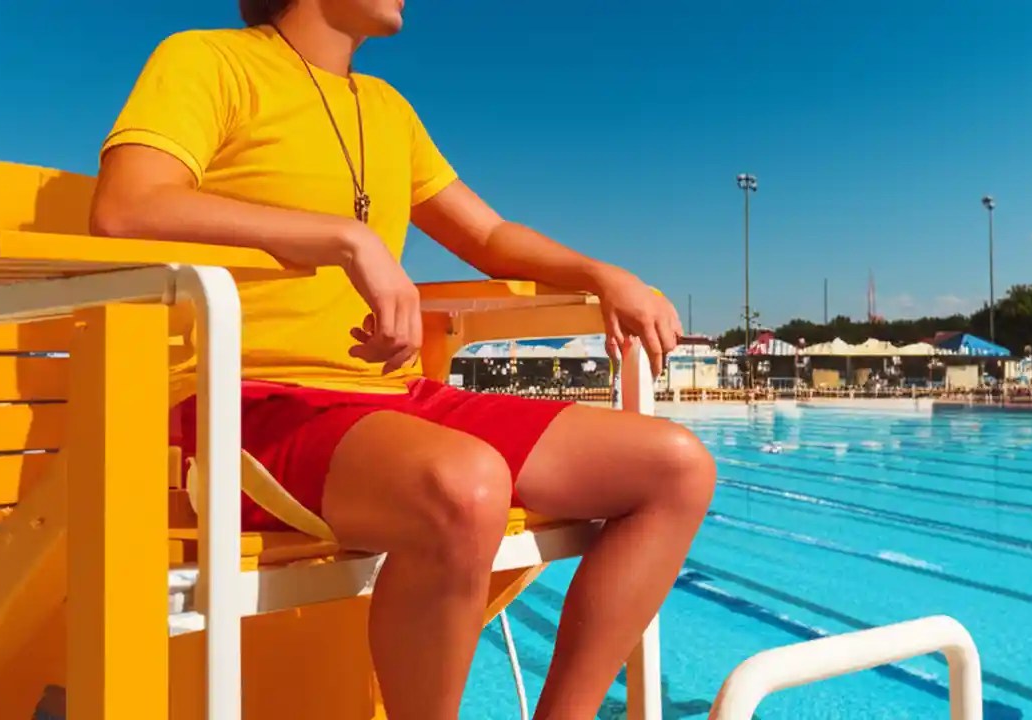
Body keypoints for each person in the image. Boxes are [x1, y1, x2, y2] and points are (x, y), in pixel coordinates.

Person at [90, 1, 716, 718]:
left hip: (388, 398)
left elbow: (488, 234)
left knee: (674, 468)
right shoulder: (208, 60)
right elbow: (126, 207)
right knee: (465, 485)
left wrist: (600, 274)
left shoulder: (386, 107)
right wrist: (345, 239)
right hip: (244, 402)